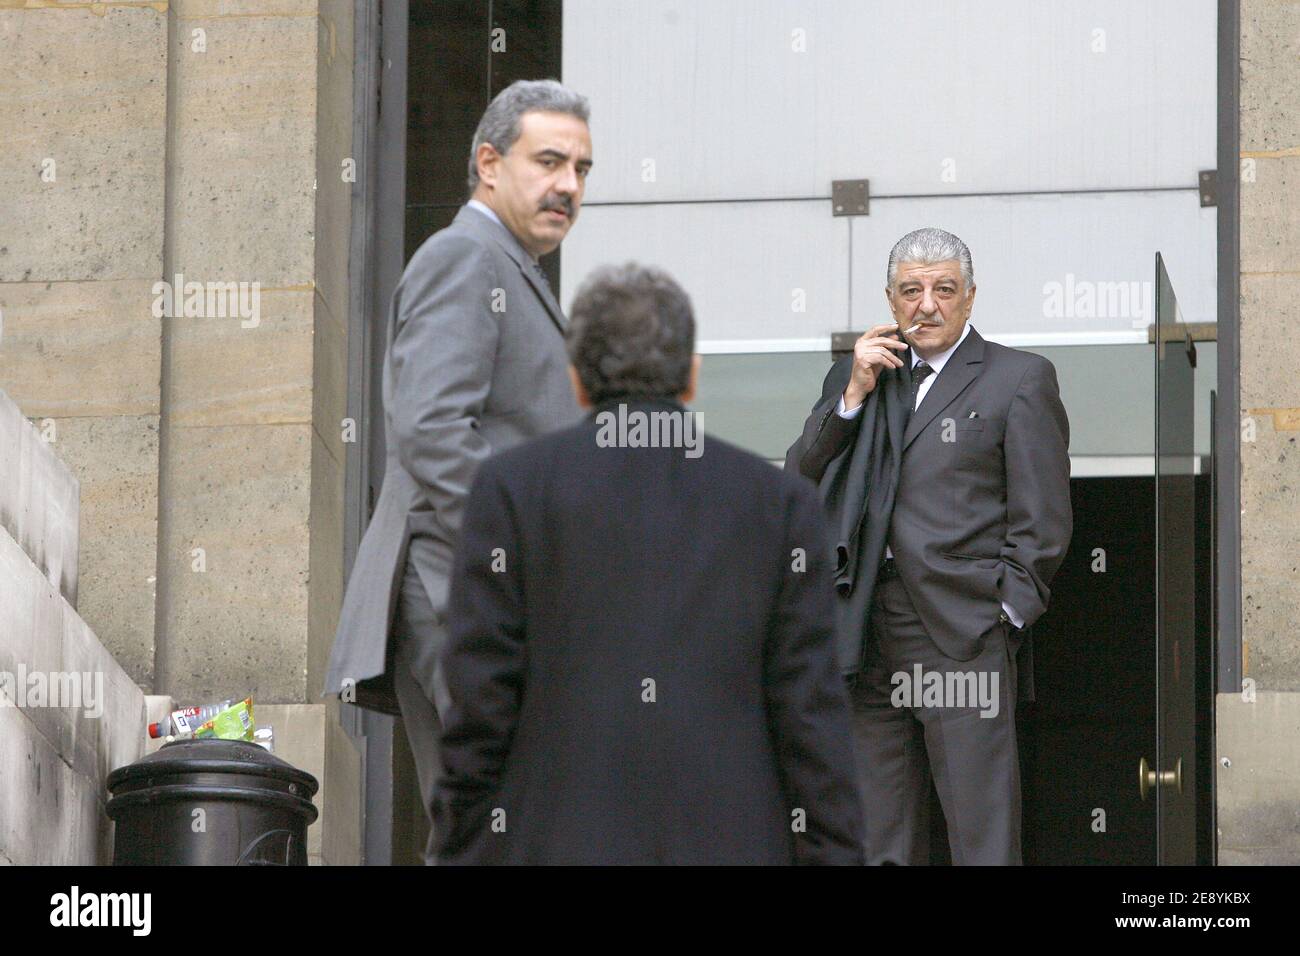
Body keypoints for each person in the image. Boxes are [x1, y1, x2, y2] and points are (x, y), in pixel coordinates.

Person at [433, 264, 864, 865]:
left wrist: (457, 851)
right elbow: (810, 719)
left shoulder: (509, 490)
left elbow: (479, 708)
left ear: (577, 381)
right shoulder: (780, 505)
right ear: (690, 377)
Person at [322, 79, 594, 863]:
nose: (568, 186)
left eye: (581, 168)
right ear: (488, 162)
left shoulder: (511, 272)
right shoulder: (466, 258)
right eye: (549, 161)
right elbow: (433, 429)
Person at [785, 227, 1072, 865]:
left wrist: (1006, 611)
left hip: (961, 627)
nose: (927, 305)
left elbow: (1044, 520)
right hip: (861, 622)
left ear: (970, 299)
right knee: (878, 832)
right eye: (911, 291)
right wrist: (853, 394)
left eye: (944, 289)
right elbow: (799, 475)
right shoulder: (857, 374)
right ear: (891, 301)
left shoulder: (1018, 376)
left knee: (980, 832)